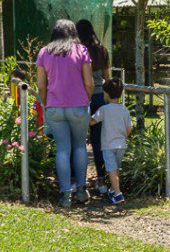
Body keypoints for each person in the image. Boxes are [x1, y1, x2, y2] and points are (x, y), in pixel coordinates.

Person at [37, 19, 95, 207]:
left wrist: (46, 103)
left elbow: (41, 86)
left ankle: (65, 195)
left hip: (54, 107)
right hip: (78, 106)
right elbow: (89, 83)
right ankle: (81, 191)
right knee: (79, 147)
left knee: (62, 149)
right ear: (73, 33)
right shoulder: (81, 50)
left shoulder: (44, 52)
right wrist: (86, 99)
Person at [77, 19, 113, 195]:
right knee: (98, 140)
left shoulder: (77, 52)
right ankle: (101, 179)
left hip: (80, 98)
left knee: (78, 141)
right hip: (99, 97)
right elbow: (107, 77)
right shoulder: (102, 51)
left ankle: (78, 180)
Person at [91, 77, 132, 206]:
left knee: (111, 169)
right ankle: (113, 190)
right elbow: (130, 127)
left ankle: (118, 194)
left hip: (108, 145)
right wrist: (124, 136)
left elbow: (92, 121)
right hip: (121, 145)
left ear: (107, 94)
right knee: (116, 168)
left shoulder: (104, 109)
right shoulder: (124, 109)